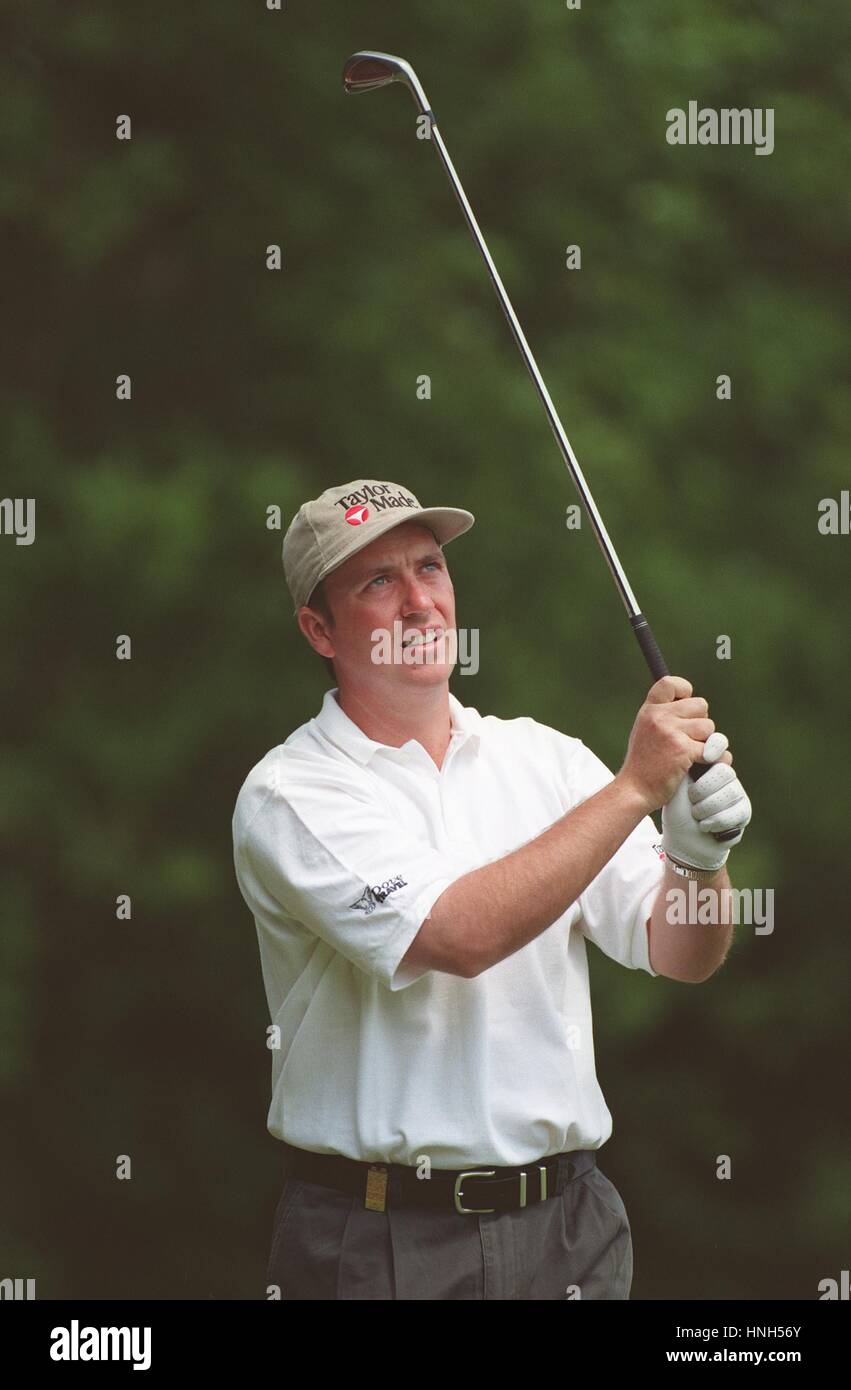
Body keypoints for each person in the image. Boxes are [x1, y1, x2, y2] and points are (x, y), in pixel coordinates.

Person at [231, 477, 752, 1301]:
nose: (417, 602)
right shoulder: (290, 793)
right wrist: (631, 792)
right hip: (383, 1241)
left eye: (429, 568)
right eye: (377, 581)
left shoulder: (544, 758)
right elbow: (456, 936)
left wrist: (696, 855)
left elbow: (680, 951)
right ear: (318, 629)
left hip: (571, 1227)